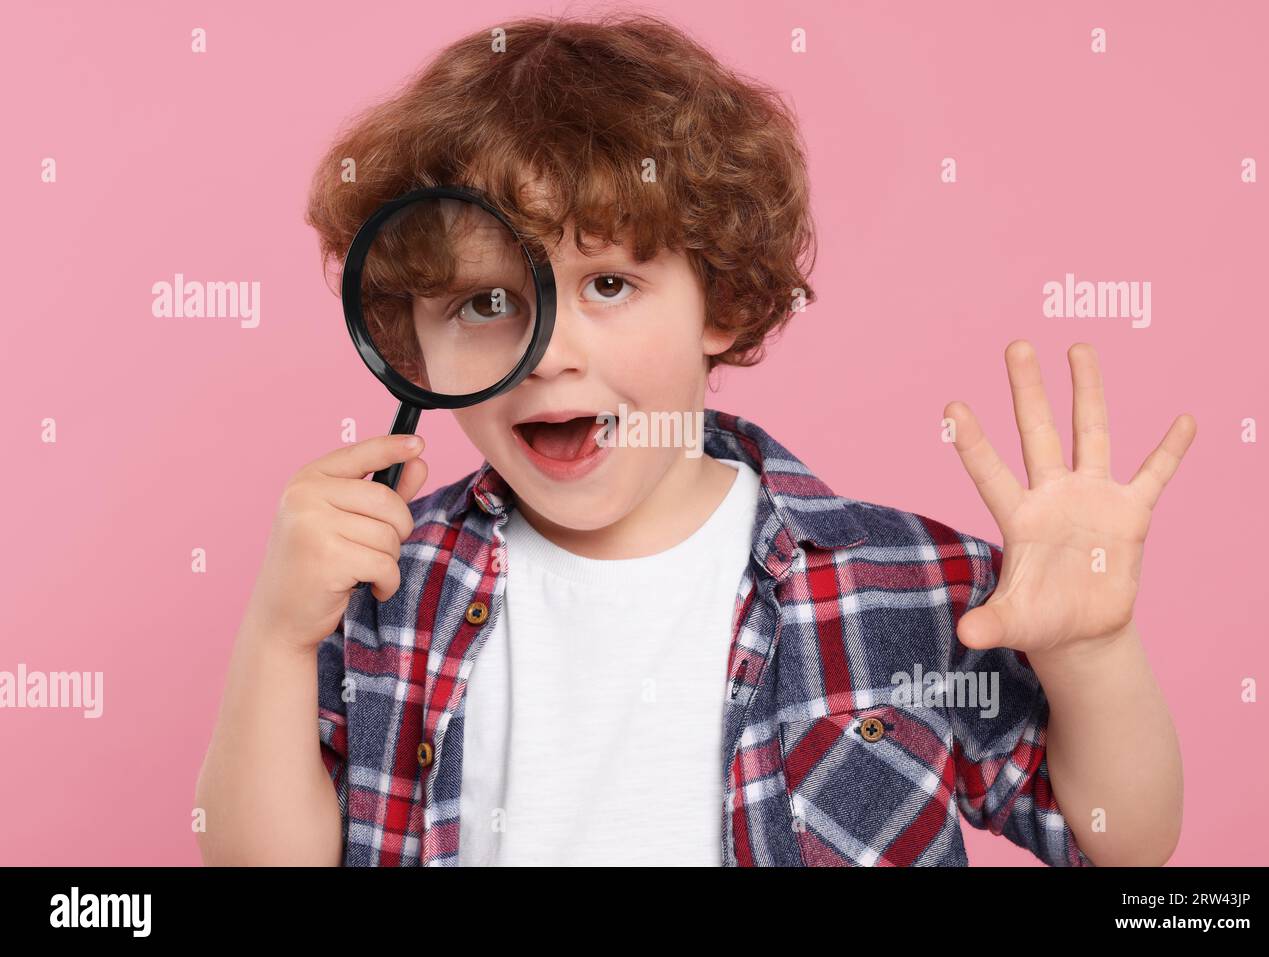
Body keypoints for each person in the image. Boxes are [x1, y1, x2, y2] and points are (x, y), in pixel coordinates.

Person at [194, 13, 1192, 866]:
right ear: (407, 335)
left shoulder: (902, 587)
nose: (549, 354)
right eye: (488, 300)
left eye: (609, 285)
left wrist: (1093, 655)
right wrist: (279, 638)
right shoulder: (384, 584)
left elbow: (1119, 843)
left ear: (720, 299)